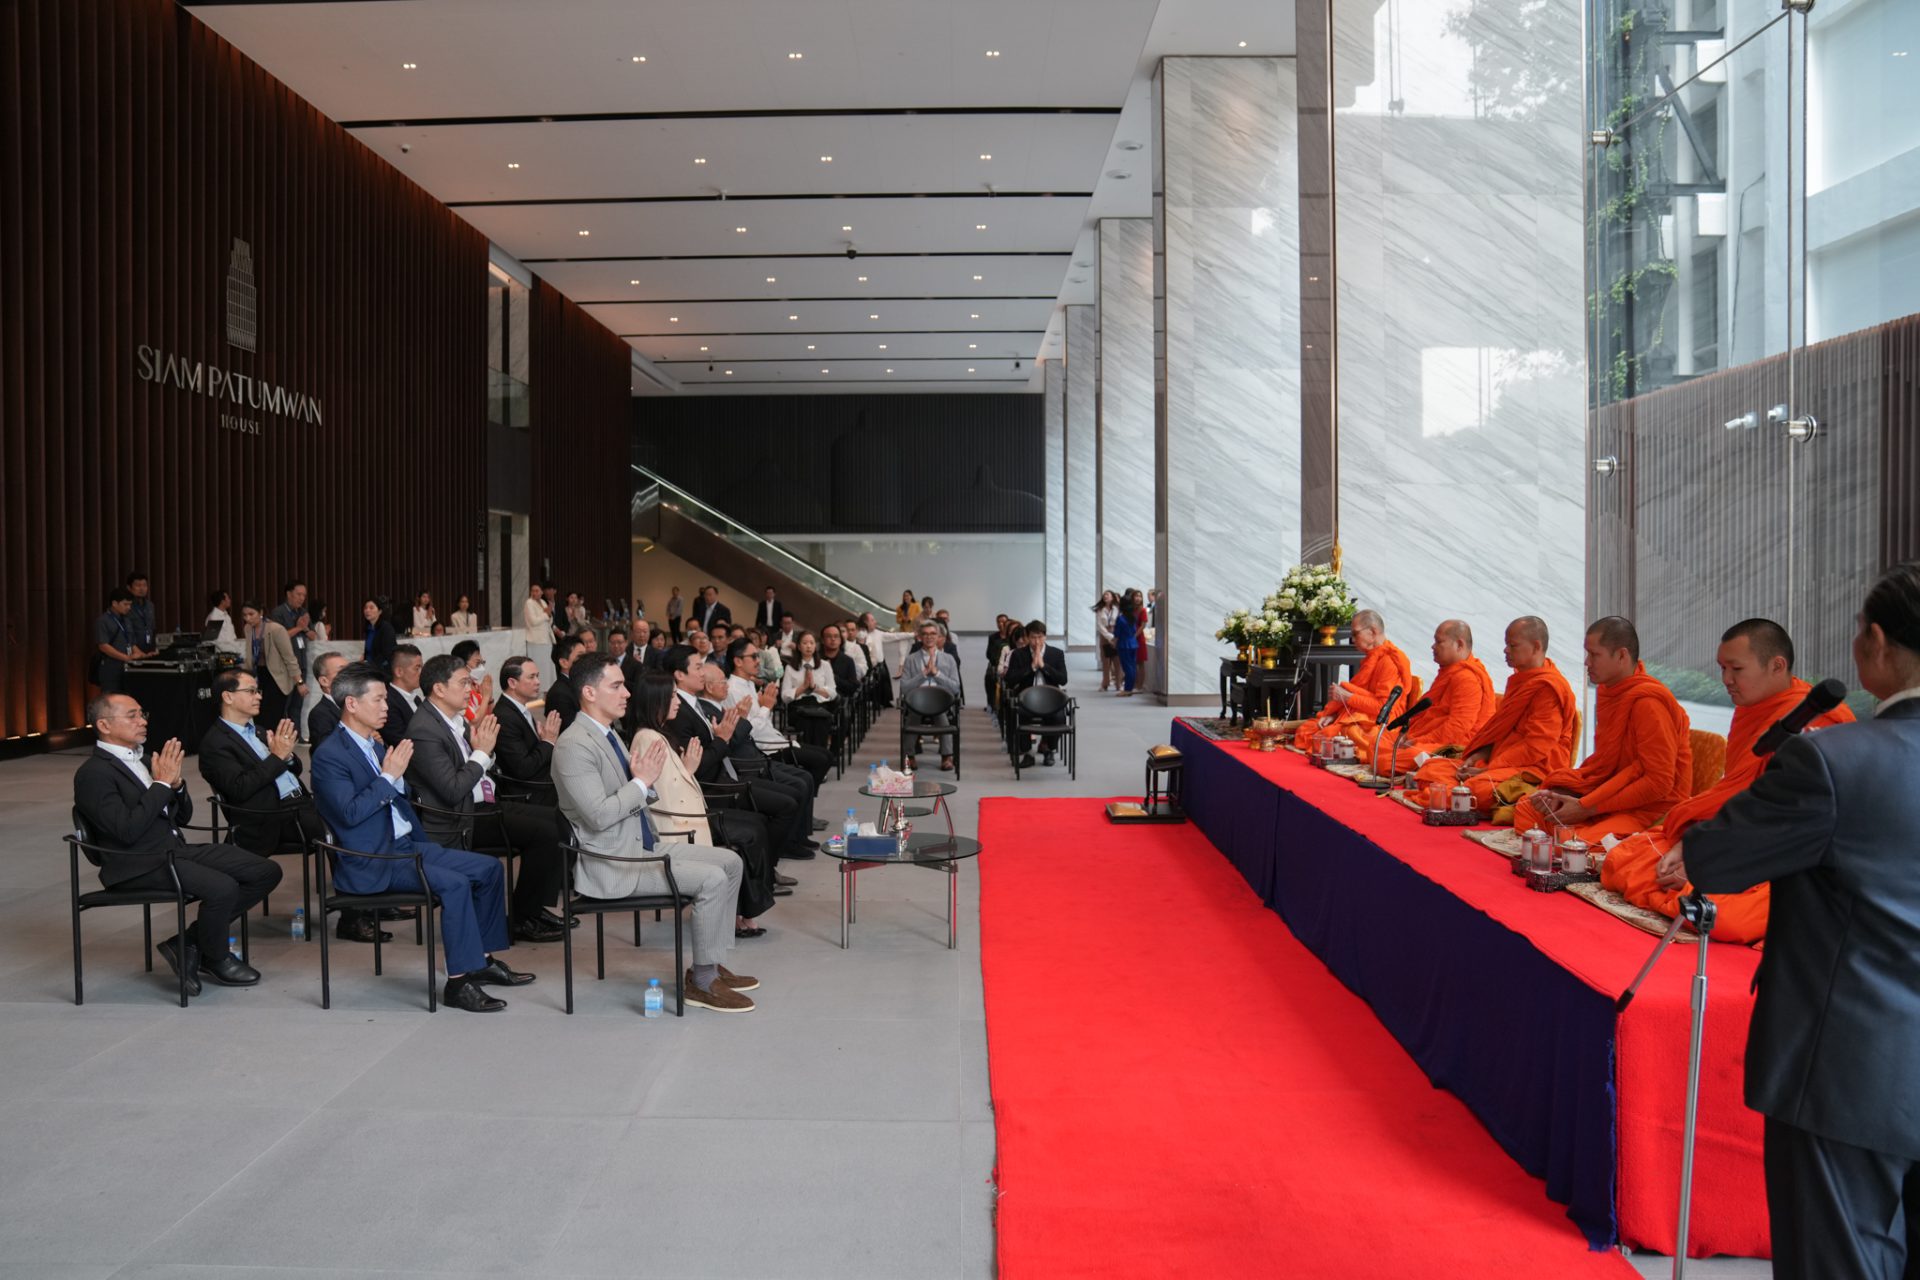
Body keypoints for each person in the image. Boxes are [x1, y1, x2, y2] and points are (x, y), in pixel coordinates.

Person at [1654, 564, 1920, 1277]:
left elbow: (1717, 857)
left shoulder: (1834, 758)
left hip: (1849, 1066)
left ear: (1874, 644)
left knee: (1841, 1257)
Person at [1600, 619, 1853, 944]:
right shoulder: (1752, 710)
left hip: (1782, 855)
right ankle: (1686, 887)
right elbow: (1733, 792)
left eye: (1735, 669)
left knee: (1727, 914)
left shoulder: (1821, 722)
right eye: (1722, 668)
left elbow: (1799, 826)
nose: (1726, 680)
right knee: (1622, 860)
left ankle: (1690, 890)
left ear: (1777, 665)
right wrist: (1688, 844)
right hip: (1732, 835)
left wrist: (1711, 856)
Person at [311, 661, 531, 1012]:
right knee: (456, 884)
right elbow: (349, 814)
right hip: (374, 860)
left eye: (386, 699)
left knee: (489, 869)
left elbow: (401, 795)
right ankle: (458, 983)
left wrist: (397, 782)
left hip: (405, 846)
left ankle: (481, 959)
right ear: (351, 704)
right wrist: (387, 777)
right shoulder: (329, 756)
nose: (387, 707)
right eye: (379, 700)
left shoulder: (375, 745)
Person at [551, 654, 754, 1012]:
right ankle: (702, 982)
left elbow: (637, 793)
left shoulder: (608, 734)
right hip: (613, 861)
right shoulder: (574, 745)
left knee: (732, 862)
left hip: (641, 846)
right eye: (616, 686)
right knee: (710, 880)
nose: (627, 693)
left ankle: (711, 963)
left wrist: (647, 783)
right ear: (588, 692)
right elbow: (598, 816)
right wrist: (642, 782)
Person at [75, 693, 281, 991]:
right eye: (131, 716)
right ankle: (216, 956)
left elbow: (181, 817)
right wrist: (160, 785)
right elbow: (126, 831)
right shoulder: (93, 774)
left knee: (265, 871)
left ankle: (187, 943)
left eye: (142, 713)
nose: (142, 721)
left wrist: (177, 786)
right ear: (104, 725)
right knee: (222, 887)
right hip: (136, 864)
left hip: (173, 851)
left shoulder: (146, 759)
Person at [197, 668, 386, 944]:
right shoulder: (215, 743)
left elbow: (293, 767)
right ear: (227, 696)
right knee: (344, 826)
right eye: (251, 691)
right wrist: (276, 757)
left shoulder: (259, 731)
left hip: (299, 805)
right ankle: (354, 916)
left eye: (258, 690)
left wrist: (284, 757)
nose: (259, 696)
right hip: (270, 817)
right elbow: (239, 789)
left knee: (361, 813)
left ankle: (376, 897)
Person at [404, 654, 568, 942]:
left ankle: (530, 909)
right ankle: (523, 917)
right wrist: (481, 753)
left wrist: (482, 752)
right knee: (545, 832)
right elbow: (453, 789)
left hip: (481, 802)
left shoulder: (451, 719)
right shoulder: (425, 730)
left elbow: (473, 766)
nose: (471, 689)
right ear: (439, 689)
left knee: (558, 818)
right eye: (464, 683)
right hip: (461, 818)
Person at [1509, 617, 1692, 842]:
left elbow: (1658, 783)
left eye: (1594, 655)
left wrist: (1588, 807)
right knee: (1529, 808)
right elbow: (1606, 765)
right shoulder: (1611, 691)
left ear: (1622, 656)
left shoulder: (1647, 703)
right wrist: (1572, 795)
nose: (1587, 662)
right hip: (1606, 794)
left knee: (1574, 844)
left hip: (1648, 807)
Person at [636, 668, 778, 937]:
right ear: (657, 699)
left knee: (756, 825)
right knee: (749, 834)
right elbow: (662, 795)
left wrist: (688, 768)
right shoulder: (649, 739)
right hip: (679, 824)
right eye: (673, 696)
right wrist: (689, 770)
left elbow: (671, 783)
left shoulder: (661, 733)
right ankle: (743, 913)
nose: (678, 701)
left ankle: (745, 911)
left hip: (691, 812)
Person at [1413, 616, 1579, 810]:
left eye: (1512, 645)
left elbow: (1536, 746)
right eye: (1506, 644)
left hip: (1533, 769)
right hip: (1501, 761)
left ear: (1535, 647)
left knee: (1477, 789)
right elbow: (1502, 732)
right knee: (1431, 769)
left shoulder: (1548, 687)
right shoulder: (1521, 680)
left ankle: (1461, 795)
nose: (1505, 650)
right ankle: (1458, 794)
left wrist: (1490, 768)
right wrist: (1479, 755)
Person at [1347, 620, 1497, 775]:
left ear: (1459, 645)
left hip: (1452, 744)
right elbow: (1430, 713)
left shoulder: (1467, 678)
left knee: (1387, 761)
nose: (1433, 647)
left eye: (1439, 642)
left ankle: (1431, 766)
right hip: (1427, 736)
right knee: (1377, 743)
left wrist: (1419, 741)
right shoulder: (1450, 672)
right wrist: (1410, 735)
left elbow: (1457, 728)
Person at [1291, 609, 1412, 750]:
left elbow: (1382, 708)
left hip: (1381, 722)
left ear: (1372, 632)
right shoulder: (1372, 658)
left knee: (1338, 735)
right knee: (1308, 730)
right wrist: (1334, 716)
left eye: (1355, 634)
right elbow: (1363, 695)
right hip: (1361, 715)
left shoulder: (1389, 662)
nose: (1353, 640)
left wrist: (1346, 696)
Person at [728, 637, 831, 785]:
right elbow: (748, 730)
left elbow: (762, 722)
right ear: (738, 661)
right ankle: (804, 799)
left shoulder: (749, 683)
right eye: (753, 657)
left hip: (774, 739)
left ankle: (805, 799)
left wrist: (765, 707)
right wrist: (766, 707)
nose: (758, 661)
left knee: (826, 756)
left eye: (758, 656)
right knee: (819, 762)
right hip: (765, 748)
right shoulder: (733, 689)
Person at [493, 654, 563, 796]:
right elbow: (523, 769)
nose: (538, 682)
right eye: (531, 677)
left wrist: (542, 741)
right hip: (529, 793)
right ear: (512, 683)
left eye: (537, 676)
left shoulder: (518, 708)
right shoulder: (505, 717)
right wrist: (548, 741)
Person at [1003, 620, 1069, 768]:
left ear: (1045, 637)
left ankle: (1049, 748)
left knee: (1059, 717)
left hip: (1051, 700)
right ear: (1027, 637)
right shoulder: (1018, 654)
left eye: (1040, 637)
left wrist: (1044, 666)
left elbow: (1063, 679)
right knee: (1019, 714)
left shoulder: (1056, 654)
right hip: (1026, 700)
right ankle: (1027, 753)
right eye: (1033, 637)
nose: (1036, 641)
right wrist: (1031, 667)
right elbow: (1010, 680)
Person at [900, 619, 961, 770]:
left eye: (933, 633)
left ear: (939, 636)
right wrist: (923, 674)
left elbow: (955, 688)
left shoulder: (949, 659)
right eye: (925, 634)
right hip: (917, 701)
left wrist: (937, 673)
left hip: (941, 702)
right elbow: (904, 688)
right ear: (920, 637)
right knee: (913, 716)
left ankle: (947, 756)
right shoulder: (911, 659)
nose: (929, 637)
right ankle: (909, 756)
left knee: (942, 716)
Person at [238, 600, 304, 730]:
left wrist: (299, 682)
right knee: (257, 714)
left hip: (276, 677)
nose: (247, 618)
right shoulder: (248, 629)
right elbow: (250, 652)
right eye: (244, 615)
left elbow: (289, 658)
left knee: (273, 716)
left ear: (261, 612)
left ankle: (273, 745)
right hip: (258, 674)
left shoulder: (276, 629)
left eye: (251, 614)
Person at [780, 630, 837, 750]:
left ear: (815, 646)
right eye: (805, 643)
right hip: (798, 707)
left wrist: (815, 688)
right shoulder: (790, 668)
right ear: (799, 647)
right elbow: (784, 696)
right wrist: (803, 687)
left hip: (819, 706)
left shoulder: (824, 665)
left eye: (811, 643)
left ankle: (819, 757)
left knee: (820, 722)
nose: (809, 646)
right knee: (805, 724)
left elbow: (833, 692)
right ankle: (809, 758)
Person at [270, 580, 313, 732]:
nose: (301, 598)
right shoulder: (278, 613)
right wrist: (298, 628)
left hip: (301, 663)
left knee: (298, 702)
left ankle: (297, 733)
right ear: (289, 594)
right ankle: (282, 734)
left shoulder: (302, 612)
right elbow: (278, 637)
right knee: (285, 703)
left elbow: (313, 636)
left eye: (304, 595)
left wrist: (306, 628)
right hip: (285, 665)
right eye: (298, 594)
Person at [92, 588, 143, 693]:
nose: (129, 608)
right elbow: (103, 646)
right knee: (111, 697)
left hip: (128, 667)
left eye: (130, 604)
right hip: (111, 667)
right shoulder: (103, 621)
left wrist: (142, 655)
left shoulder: (127, 620)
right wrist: (126, 657)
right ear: (114, 603)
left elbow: (131, 642)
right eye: (125, 604)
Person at [379, 644, 425, 748]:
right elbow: (400, 743)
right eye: (417, 668)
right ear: (399, 672)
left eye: (421, 668)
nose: (421, 673)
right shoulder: (387, 702)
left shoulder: (416, 699)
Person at [307, 652, 348, 752]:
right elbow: (328, 751)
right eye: (342, 671)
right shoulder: (320, 714)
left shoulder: (356, 705)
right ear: (324, 681)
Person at [547, 633, 585, 730]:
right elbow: (572, 730)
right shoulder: (559, 694)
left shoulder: (581, 683)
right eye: (580, 656)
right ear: (564, 662)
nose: (586, 660)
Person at [449, 638, 493, 722]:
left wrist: (490, 698)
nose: (481, 667)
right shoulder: (460, 690)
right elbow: (474, 723)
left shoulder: (476, 685)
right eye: (477, 663)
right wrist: (486, 697)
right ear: (462, 664)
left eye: (482, 663)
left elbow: (490, 716)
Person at [1112, 595, 1141, 696]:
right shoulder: (1133, 617)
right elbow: (1134, 631)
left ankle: (1127, 689)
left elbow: (1117, 634)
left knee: (1127, 667)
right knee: (1132, 666)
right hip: (1133, 643)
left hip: (1124, 644)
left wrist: (1113, 643)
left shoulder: (1121, 619)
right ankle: (1130, 688)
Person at [362, 597, 397, 674]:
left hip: (382, 670)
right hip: (369, 669)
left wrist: (371, 665)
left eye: (371, 608)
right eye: (365, 608)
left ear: (380, 611)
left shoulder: (386, 628)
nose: (367, 610)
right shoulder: (368, 628)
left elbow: (388, 653)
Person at [125, 572, 157, 656]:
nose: (142, 588)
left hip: (149, 651)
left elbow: (152, 629)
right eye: (138, 585)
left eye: (144, 585)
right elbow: (126, 633)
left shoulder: (150, 606)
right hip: (132, 652)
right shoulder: (126, 606)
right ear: (129, 588)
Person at [522, 584, 552, 648]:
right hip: (535, 639)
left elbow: (549, 621)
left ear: (542, 592)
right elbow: (533, 621)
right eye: (532, 591)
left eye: (536, 591)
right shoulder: (529, 602)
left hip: (545, 638)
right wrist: (546, 614)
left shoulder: (543, 602)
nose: (534, 593)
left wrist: (549, 616)